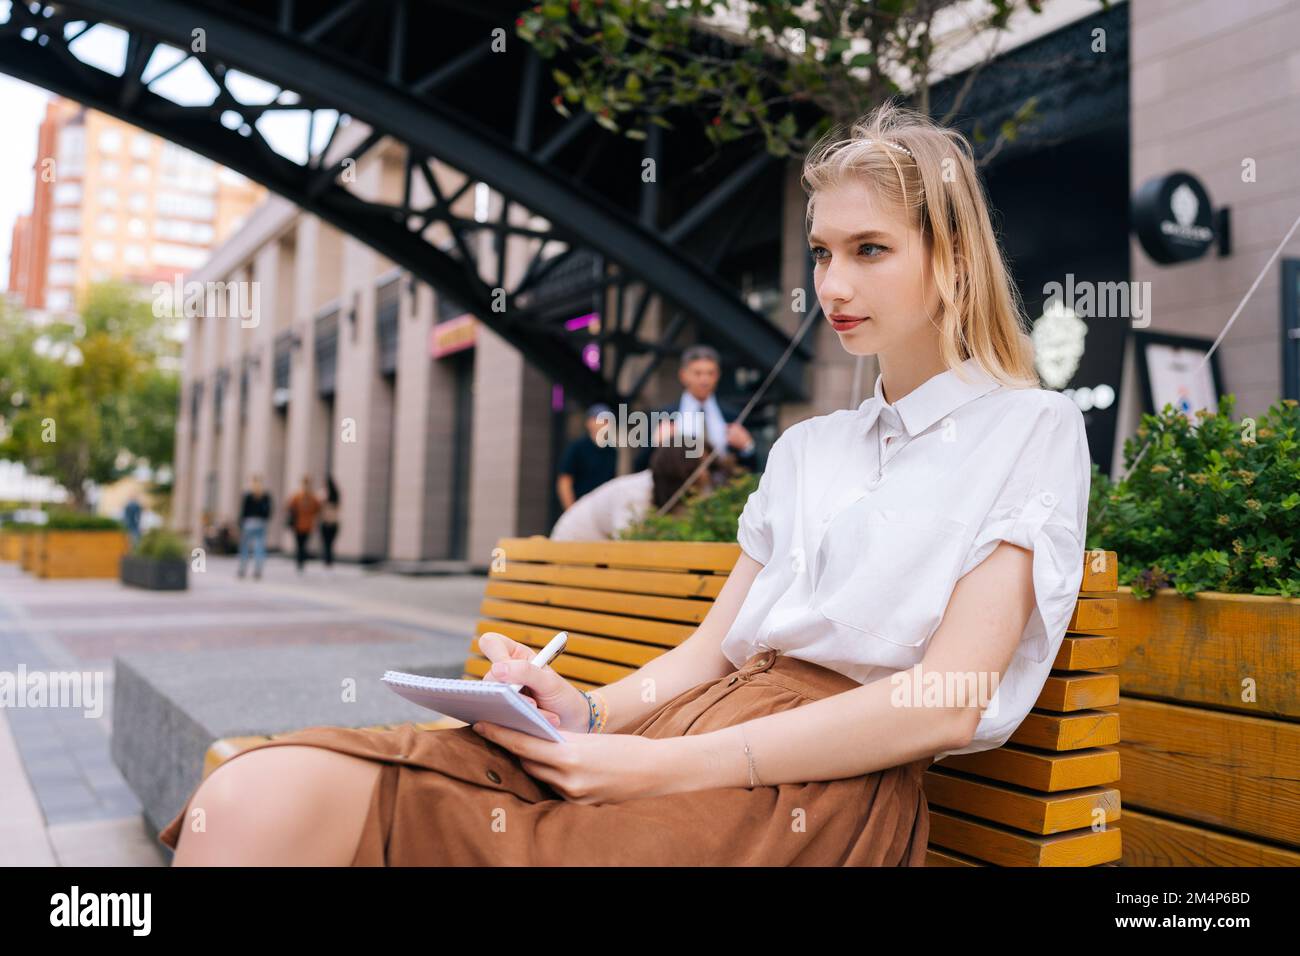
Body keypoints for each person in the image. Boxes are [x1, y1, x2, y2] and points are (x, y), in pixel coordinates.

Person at [160, 100, 1090, 867]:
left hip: (810, 796)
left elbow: (952, 695)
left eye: (870, 250)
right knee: (249, 799)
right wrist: (586, 711)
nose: (831, 283)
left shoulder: (1030, 429)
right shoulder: (811, 449)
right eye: (819, 252)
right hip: (679, 742)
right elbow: (709, 654)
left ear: (954, 258)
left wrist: (662, 771)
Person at [550, 441, 736, 541]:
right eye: (699, 466)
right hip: (575, 542)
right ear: (679, 470)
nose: (705, 473)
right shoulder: (634, 495)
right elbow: (628, 549)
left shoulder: (682, 495)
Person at [631, 345, 757, 473]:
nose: (704, 380)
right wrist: (655, 445)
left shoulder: (732, 415)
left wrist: (747, 448)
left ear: (718, 375)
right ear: (683, 375)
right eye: (697, 373)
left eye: (710, 373)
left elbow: (750, 470)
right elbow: (639, 467)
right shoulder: (663, 416)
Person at [555, 404, 618, 511]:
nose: (604, 423)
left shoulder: (612, 451)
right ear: (589, 423)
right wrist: (571, 511)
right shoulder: (577, 448)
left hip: (602, 510)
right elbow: (564, 482)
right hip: (580, 508)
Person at [237, 475, 272, 580]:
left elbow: (243, 511)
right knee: (259, 547)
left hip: (249, 523)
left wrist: (241, 523)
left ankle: (242, 569)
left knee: (245, 547)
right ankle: (258, 570)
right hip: (261, 523)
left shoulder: (248, 495)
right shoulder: (265, 496)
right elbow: (269, 511)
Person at [285, 475, 321, 574]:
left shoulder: (310, 497)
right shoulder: (299, 496)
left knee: (302, 545)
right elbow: (290, 507)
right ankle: (300, 562)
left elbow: (317, 508)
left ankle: (300, 563)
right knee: (300, 545)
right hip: (299, 525)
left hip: (306, 525)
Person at [319, 476, 340, 569]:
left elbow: (320, 506)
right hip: (334, 522)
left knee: (327, 543)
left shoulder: (325, 494)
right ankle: (329, 560)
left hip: (327, 521)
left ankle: (327, 561)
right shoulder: (336, 494)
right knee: (330, 543)